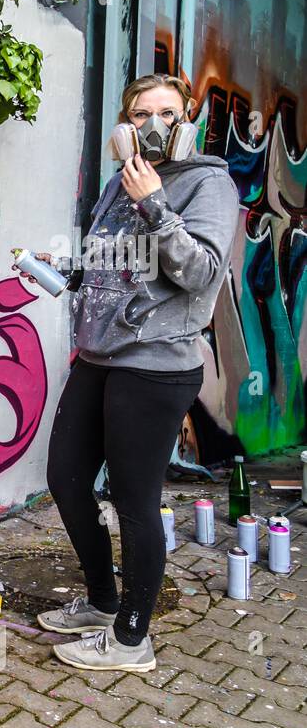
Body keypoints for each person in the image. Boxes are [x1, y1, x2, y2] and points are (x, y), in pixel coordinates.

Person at [15, 73, 241, 673]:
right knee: (66, 477)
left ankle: (132, 639)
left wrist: (156, 205)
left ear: (187, 118)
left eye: (166, 112)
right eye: (140, 114)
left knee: (134, 499)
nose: (153, 126)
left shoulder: (208, 183)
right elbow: (107, 267)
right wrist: (58, 267)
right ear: (126, 125)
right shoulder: (120, 182)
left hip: (156, 367)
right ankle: (101, 600)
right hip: (99, 357)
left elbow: (202, 274)